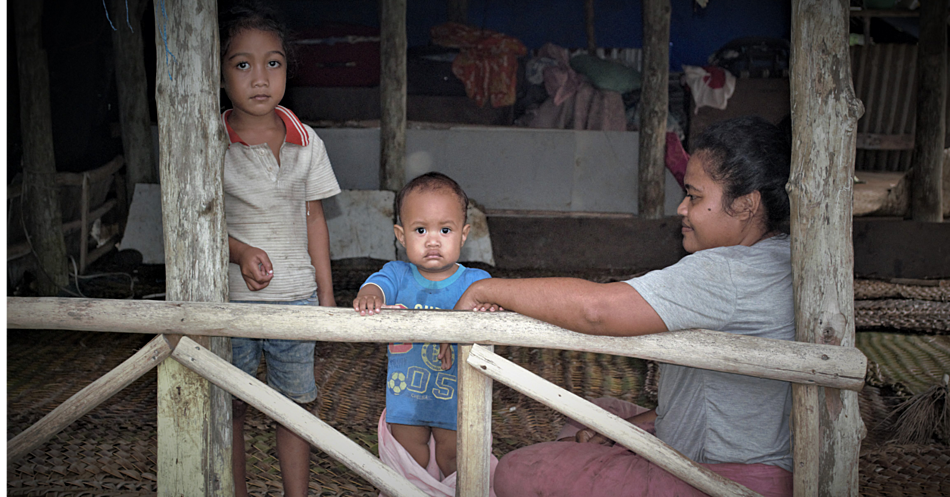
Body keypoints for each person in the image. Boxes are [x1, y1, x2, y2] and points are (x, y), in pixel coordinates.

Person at [455, 116, 795, 497]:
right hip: (766, 467)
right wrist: (629, 432)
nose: (682, 209)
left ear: (747, 205)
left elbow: (596, 311)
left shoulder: (726, 271)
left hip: (713, 480)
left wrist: (487, 288)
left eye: (695, 197)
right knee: (598, 411)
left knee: (516, 471)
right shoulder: (782, 257)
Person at [219, 3, 340, 496]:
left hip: (296, 298)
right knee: (231, 407)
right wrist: (239, 251)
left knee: (295, 407)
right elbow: (196, 222)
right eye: (242, 64)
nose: (260, 77)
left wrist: (327, 299)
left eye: (273, 62)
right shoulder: (209, 141)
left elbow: (314, 219)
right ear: (221, 73)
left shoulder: (306, 141)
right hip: (229, 304)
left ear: (289, 69)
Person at [353, 173, 497, 496]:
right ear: (401, 236)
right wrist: (371, 294)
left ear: (464, 234)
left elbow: (495, 301)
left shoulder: (476, 281)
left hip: (459, 398)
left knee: (455, 457)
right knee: (410, 457)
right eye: (421, 230)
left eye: (445, 230)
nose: (433, 240)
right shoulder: (396, 275)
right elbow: (377, 284)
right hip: (408, 397)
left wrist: (491, 307)